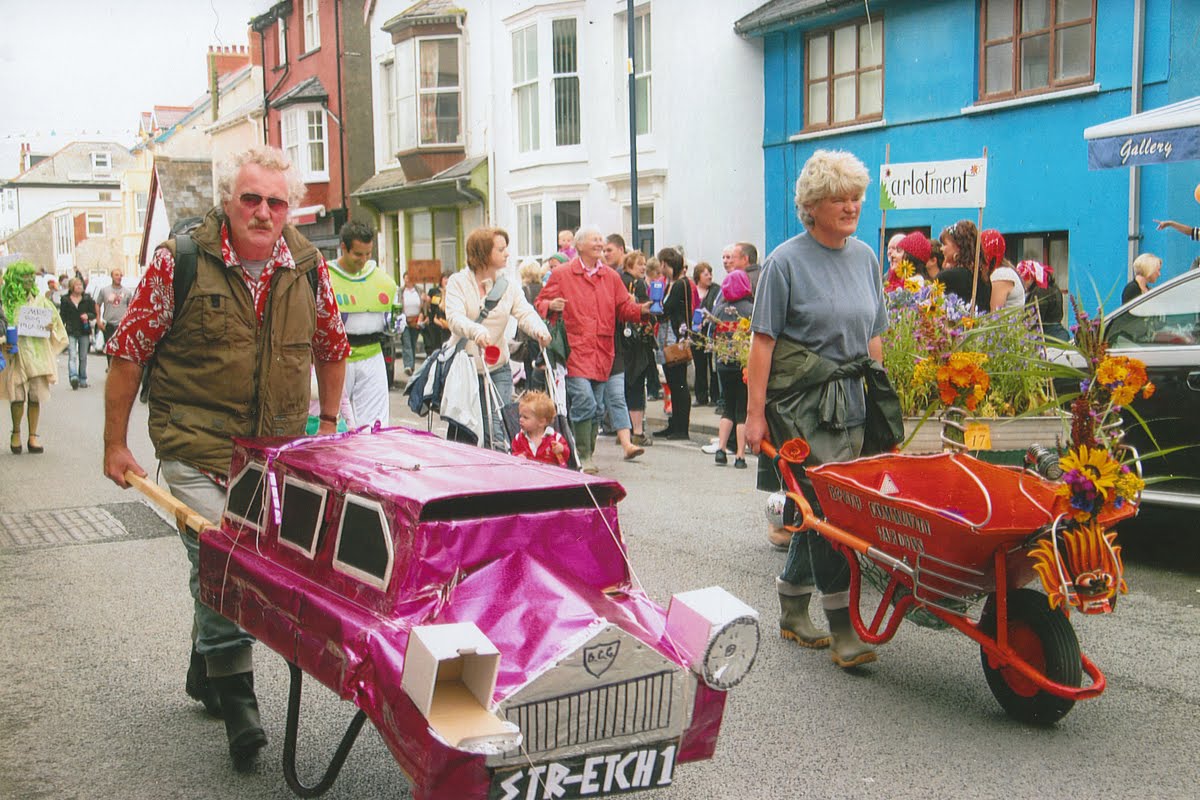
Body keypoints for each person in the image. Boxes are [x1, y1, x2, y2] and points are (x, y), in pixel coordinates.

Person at [102, 144, 350, 768]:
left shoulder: (308, 267)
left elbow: (333, 344)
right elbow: (129, 351)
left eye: (276, 201)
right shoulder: (179, 262)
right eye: (251, 199)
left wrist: (326, 422)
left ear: (289, 207)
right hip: (194, 445)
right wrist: (114, 442)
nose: (263, 212)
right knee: (228, 556)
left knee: (223, 561)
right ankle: (239, 699)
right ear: (228, 201)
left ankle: (202, 668)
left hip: (272, 453)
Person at [745, 148, 899, 670]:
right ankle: (843, 631)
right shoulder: (785, 261)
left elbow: (873, 338)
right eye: (840, 197)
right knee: (834, 513)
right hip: (801, 409)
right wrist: (754, 415)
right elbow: (762, 343)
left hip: (853, 402)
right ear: (813, 205)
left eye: (856, 196)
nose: (852, 205)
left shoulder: (866, 258)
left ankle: (792, 607)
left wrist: (881, 399)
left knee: (817, 512)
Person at [536, 225, 650, 473]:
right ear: (579, 246)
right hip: (575, 349)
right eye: (595, 240)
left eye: (601, 239)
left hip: (603, 350)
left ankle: (587, 453)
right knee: (585, 401)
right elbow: (540, 302)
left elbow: (623, 308)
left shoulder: (610, 276)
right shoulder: (563, 274)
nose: (600, 243)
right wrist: (550, 305)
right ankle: (583, 455)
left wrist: (641, 311)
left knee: (597, 407)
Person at [445, 227, 550, 445]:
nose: (507, 254)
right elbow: (454, 318)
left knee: (498, 422)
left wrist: (539, 329)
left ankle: (500, 468)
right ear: (483, 253)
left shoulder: (508, 286)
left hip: (498, 367)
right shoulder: (458, 282)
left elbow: (525, 312)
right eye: (501, 249)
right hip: (466, 368)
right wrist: (477, 331)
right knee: (468, 427)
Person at [327, 221, 396, 429]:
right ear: (344, 248)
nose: (364, 260)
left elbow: (391, 317)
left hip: (372, 354)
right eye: (358, 254)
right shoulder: (325, 277)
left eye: (368, 254)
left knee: (375, 425)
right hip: (338, 356)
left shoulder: (381, 280)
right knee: (334, 419)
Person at [2, 261, 68, 454]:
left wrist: (50, 328)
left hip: (37, 355)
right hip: (16, 355)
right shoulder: (5, 304)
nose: (29, 279)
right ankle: (15, 432)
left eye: (31, 276)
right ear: (15, 279)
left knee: (35, 396)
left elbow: (57, 327)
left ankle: (33, 436)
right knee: (17, 396)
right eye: (24, 276)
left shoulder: (41, 302)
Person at [710, 269, 753, 469]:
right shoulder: (751, 309)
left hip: (723, 364)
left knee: (727, 406)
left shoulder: (719, 309)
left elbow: (711, 334)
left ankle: (721, 449)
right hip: (743, 365)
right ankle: (740, 456)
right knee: (741, 409)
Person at [654, 247, 694, 441]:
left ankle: (681, 427)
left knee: (678, 383)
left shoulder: (680, 284)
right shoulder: (670, 284)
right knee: (672, 382)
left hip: (675, 337)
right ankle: (674, 424)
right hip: (667, 336)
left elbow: (667, 308)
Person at [621, 250, 656, 446]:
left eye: (644, 264)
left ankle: (624, 431)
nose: (643, 267)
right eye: (639, 264)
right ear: (629, 265)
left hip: (623, 343)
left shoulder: (619, 280)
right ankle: (637, 432)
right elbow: (646, 312)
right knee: (635, 385)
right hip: (636, 343)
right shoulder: (639, 284)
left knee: (624, 386)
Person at [937, 218, 990, 311]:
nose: (941, 249)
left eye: (944, 244)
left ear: (958, 246)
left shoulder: (947, 277)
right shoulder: (983, 277)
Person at [510, 390, 571, 467]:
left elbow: (566, 456)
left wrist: (561, 449)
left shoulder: (555, 438)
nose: (520, 420)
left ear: (541, 422)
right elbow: (514, 452)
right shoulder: (519, 438)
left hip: (550, 475)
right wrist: (517, 456)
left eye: (525, 417)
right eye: (520, 416)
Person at [59, 277, 98, 389]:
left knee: (83, 357)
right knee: (72, 355)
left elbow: (94, 313)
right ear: (72, 287)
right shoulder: (65, 300)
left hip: (84, 330)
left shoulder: (87, 298)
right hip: (71, 330)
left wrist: (88, 316)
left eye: (81, 285)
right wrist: (60, 328)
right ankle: (73, 377)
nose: (79, 287)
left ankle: (83, 378)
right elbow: (62, 316)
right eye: (77, 285)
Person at [1017, 259, 1069, 341]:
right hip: (1060, 335)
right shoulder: (1054, 287)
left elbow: (1034, 319)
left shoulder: (1040, 291)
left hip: (1047, 337)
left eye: (1024, 279)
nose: (1022, 283)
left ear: (1031, 277)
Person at [96, 268, 133, 369]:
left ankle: (119, 370)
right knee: (110, 349)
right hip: (108, 324)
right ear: (112, 276)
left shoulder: (127, 292)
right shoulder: (104, 290)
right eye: (116, 275)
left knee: (121, 350)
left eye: (120, 275)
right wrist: (98, 320)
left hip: (121, 325)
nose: (119, 277)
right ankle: (111, 368)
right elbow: (98, 304)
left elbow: (131, 308)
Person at [691, 262, 716, 407]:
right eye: (706, 274)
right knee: (699, 366)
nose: (709, 276)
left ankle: (714, 396)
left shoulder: (715, 290)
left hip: (710, 333)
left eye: (710, 273)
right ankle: (701, 396)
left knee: (711, 366)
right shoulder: (693, 290)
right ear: (698, 276)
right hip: (696, 334)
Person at [398, 273, 424, 376]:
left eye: (409, 278)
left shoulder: (419, 290)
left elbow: (424, 305)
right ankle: (407, 365)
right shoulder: (401, 291)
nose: (408, 280)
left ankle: (411, 366)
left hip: (416, 320)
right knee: (407, 343)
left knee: (412, 343)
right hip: (404, 321)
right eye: (406, 278)